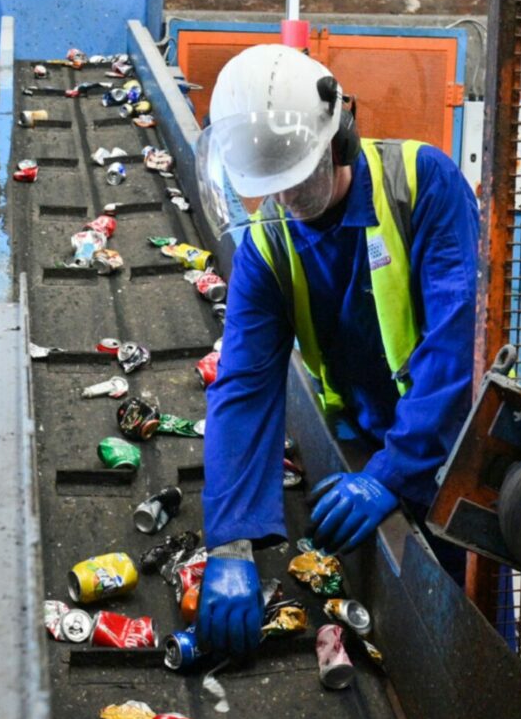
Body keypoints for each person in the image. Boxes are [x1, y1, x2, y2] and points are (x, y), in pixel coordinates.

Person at [192, 44, 481, 656]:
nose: (289, 200)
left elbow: (456, 346)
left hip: (454, 457)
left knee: (466, 634)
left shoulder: (422, 183)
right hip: (370, 440)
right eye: (271, 186)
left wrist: (395, 473)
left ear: (340, 140)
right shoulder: (270, 242)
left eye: (298, 176)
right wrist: (230, 542)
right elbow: (245, 384)